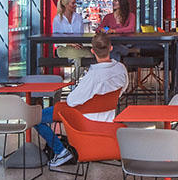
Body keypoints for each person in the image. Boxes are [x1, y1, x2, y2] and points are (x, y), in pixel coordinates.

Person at [35, 32, 128, 169]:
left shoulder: (94, 75)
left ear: (92, 51)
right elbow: (122, 90)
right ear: (111, 48)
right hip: (106, 121)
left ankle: (61, 151)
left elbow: (72, 101)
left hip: (81, 120)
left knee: (35, 118)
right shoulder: (121, 69)